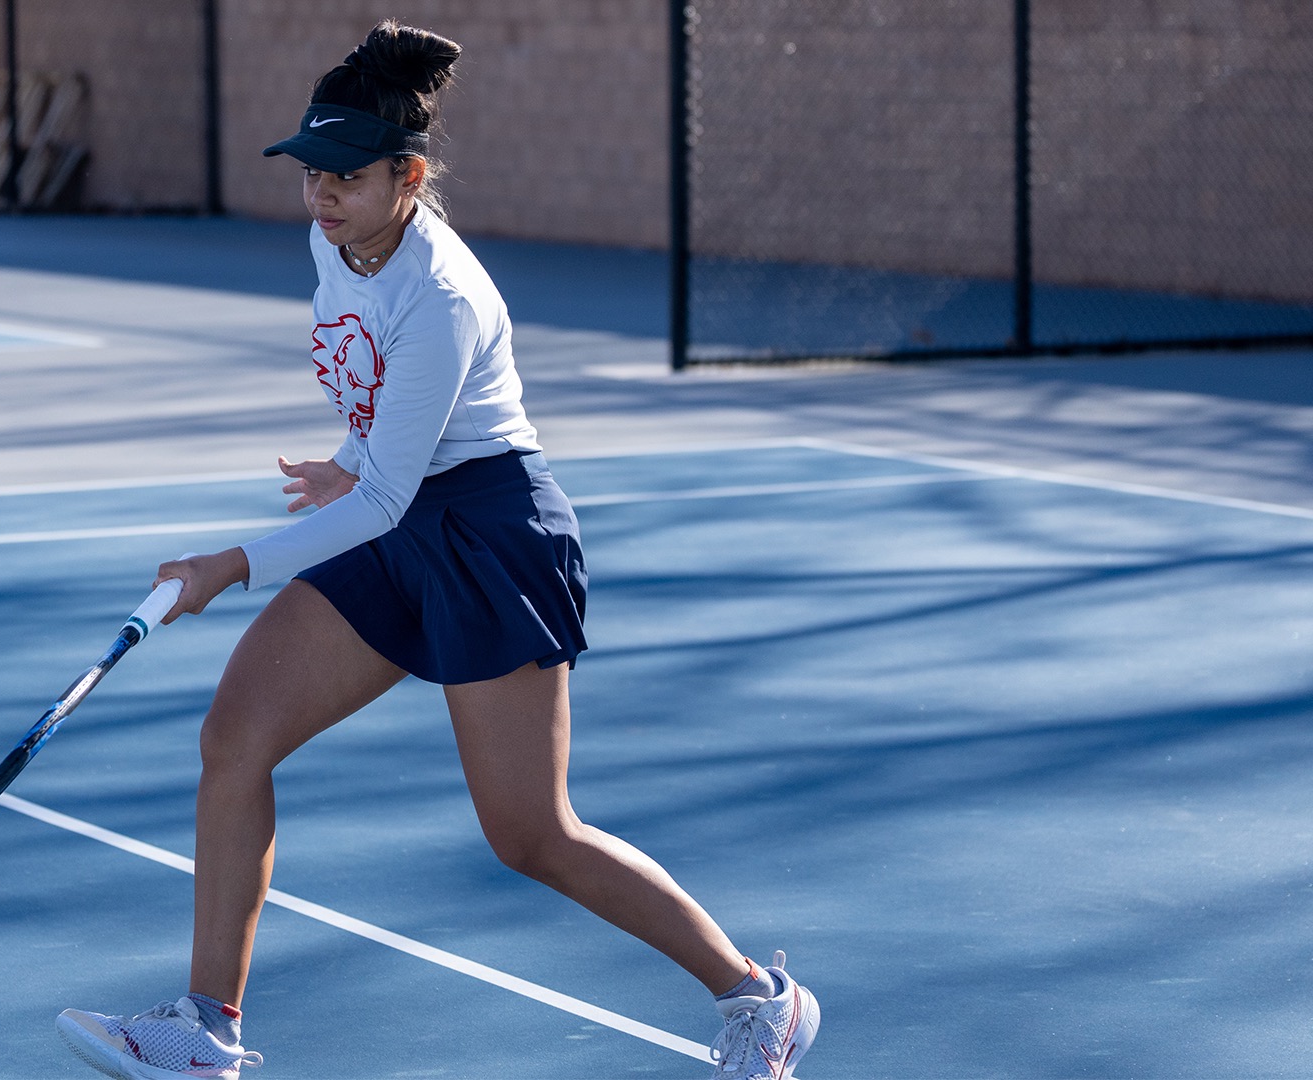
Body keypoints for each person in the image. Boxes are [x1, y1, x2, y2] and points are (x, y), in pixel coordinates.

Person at [55, 19, 817, 1080]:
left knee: (530, 833)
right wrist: (353, 455)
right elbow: (377, 443)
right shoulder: (331, 242)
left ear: (409, 176)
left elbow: (384, 495)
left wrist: (234, 562)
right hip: (400, 509)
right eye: (311, 170)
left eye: (346, 175)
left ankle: (758, 998)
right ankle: (205, 1029)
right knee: (235, 736)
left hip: (494, 534)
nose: (320, 193)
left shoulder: (446, 296)